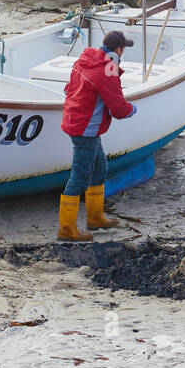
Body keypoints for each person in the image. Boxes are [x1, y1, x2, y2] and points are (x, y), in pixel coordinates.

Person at [57, 30, 137, 241]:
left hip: (77, 121)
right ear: (118, 50)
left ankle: (95, 218)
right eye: (123, 49)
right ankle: (66, 230)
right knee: (79, 177)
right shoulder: (108, 68)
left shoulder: (85, 60)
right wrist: (133, 109)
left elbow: (70, 89)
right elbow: (119, 108)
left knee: (100, 168)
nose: (123, 52)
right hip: (85, 129)